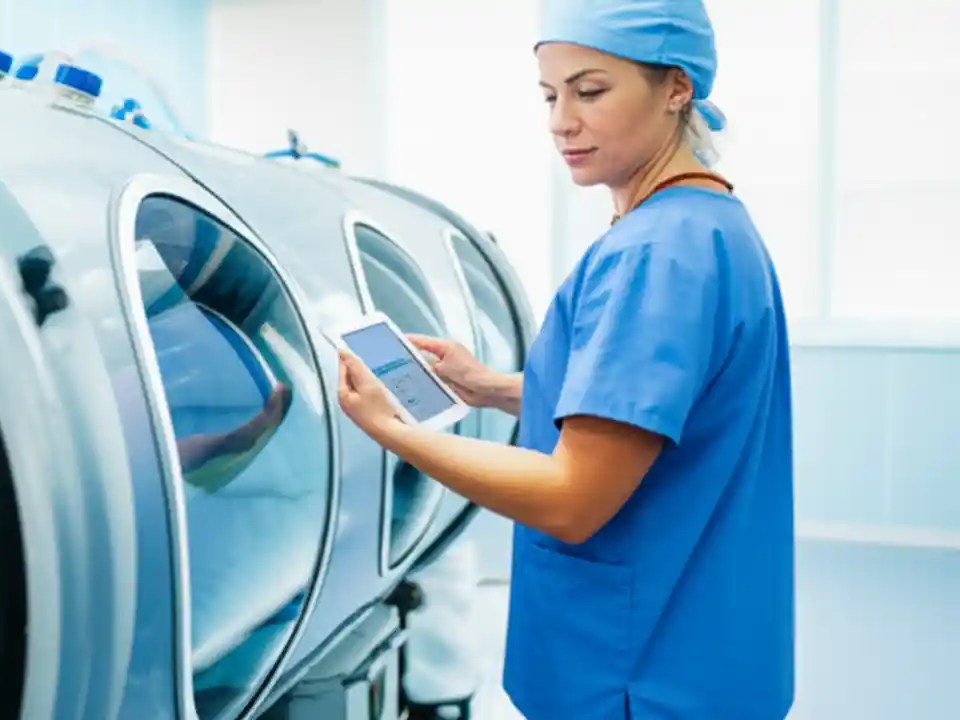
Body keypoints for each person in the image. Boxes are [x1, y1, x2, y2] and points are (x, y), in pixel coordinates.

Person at [336, 1, 795, 718]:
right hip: (700, 652)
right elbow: (647, 406)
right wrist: (488, 388)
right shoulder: (710, 227)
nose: (561, 121)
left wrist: (398, 433)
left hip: (636, 675)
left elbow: (571, 497)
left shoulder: (654, 253)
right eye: (551, 95)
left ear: (677, 88)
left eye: (591, 90)